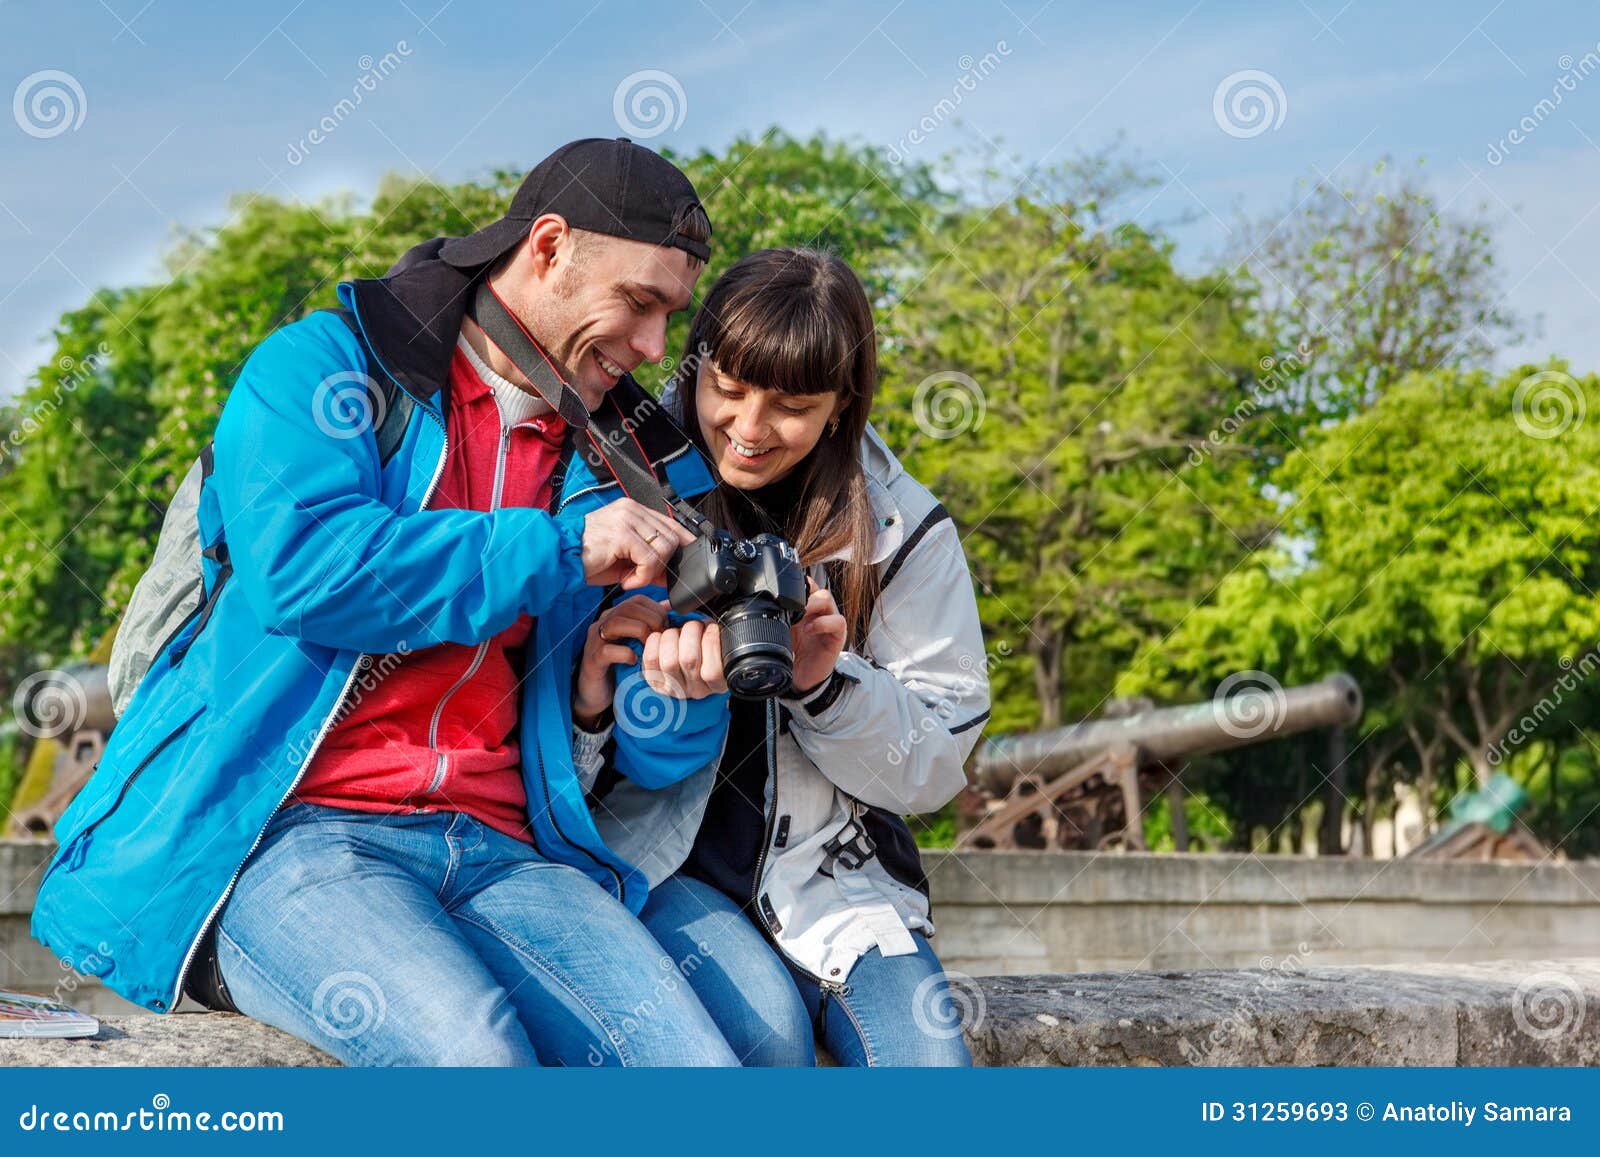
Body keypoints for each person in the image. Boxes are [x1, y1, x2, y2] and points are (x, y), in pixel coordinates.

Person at [31, 139, 744, 1067]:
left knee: (696, 1071)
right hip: (291, 832)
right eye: (639, 303)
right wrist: (561, 547)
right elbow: (303, 568)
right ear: (550, 247)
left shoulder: (631, 461)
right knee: (476, 1064)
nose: (655, 348)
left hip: (505, 842)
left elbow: (655, 761)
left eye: (669, 315)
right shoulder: (321, 368)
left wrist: (679, 686)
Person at [570, 247, 991, 1065]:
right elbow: (542, 758)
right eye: (726, 389)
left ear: (842, 407)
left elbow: (934, 767)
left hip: (839, 879)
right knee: (771, 1042)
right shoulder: (614, 488)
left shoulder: (902, 530)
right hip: (662, 863)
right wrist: (599, 697)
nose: (750, 429)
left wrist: (825, 685)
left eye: (792, 405)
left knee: (932, 1068)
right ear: (691, 363)